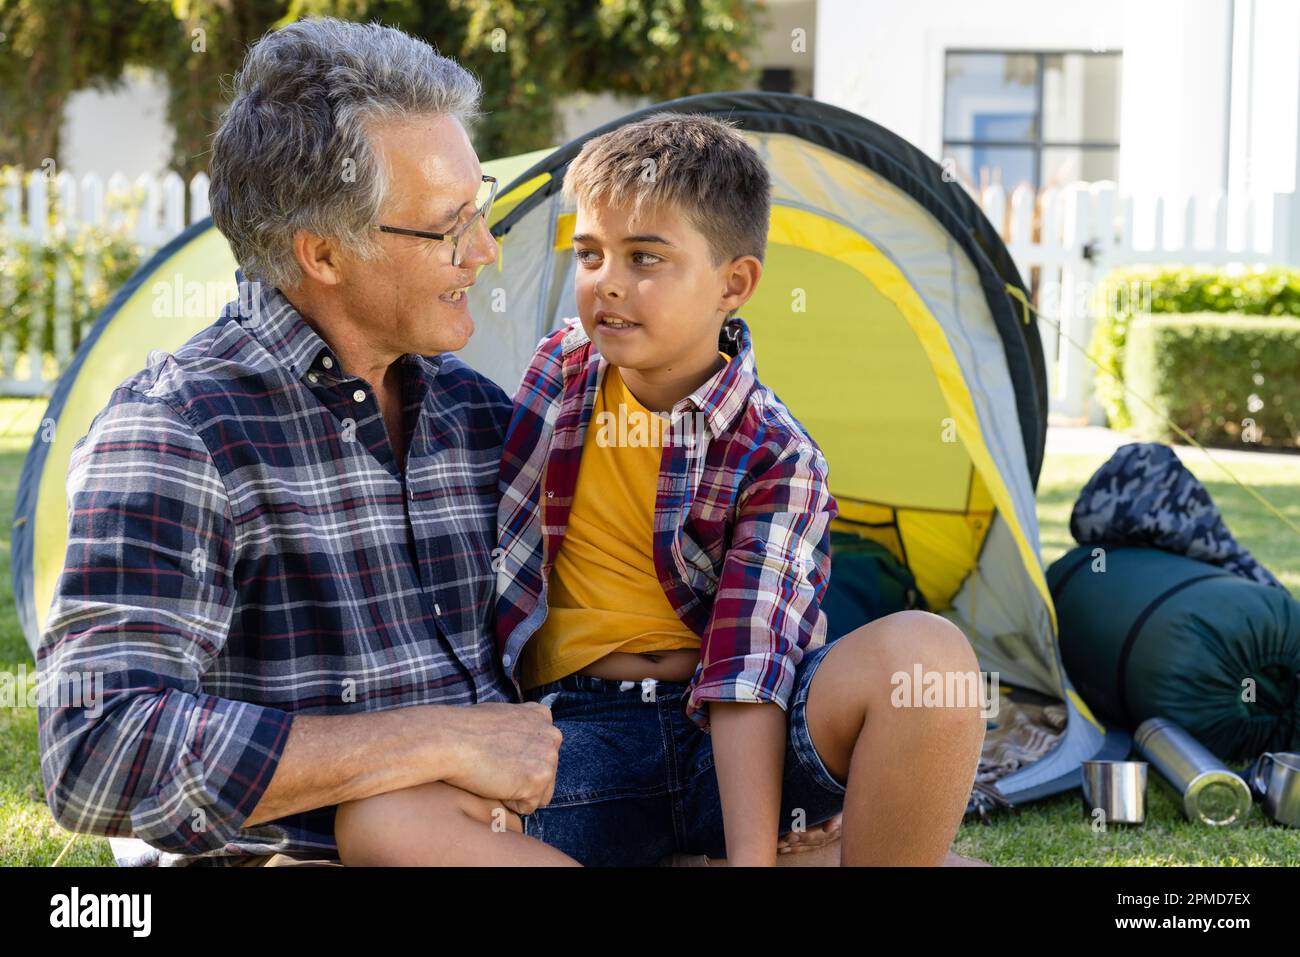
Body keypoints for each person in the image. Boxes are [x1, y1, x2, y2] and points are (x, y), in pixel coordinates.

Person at [334, 114, 988, 866]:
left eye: (645, 257)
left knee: (929, 662)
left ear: (733, 284)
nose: (607, 280)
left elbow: (747, 676)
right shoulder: (560, 373)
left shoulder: (776, 453)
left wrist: (750, 856)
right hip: (578, 740)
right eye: (589, 253)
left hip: (741, 742)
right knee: (380, 819)